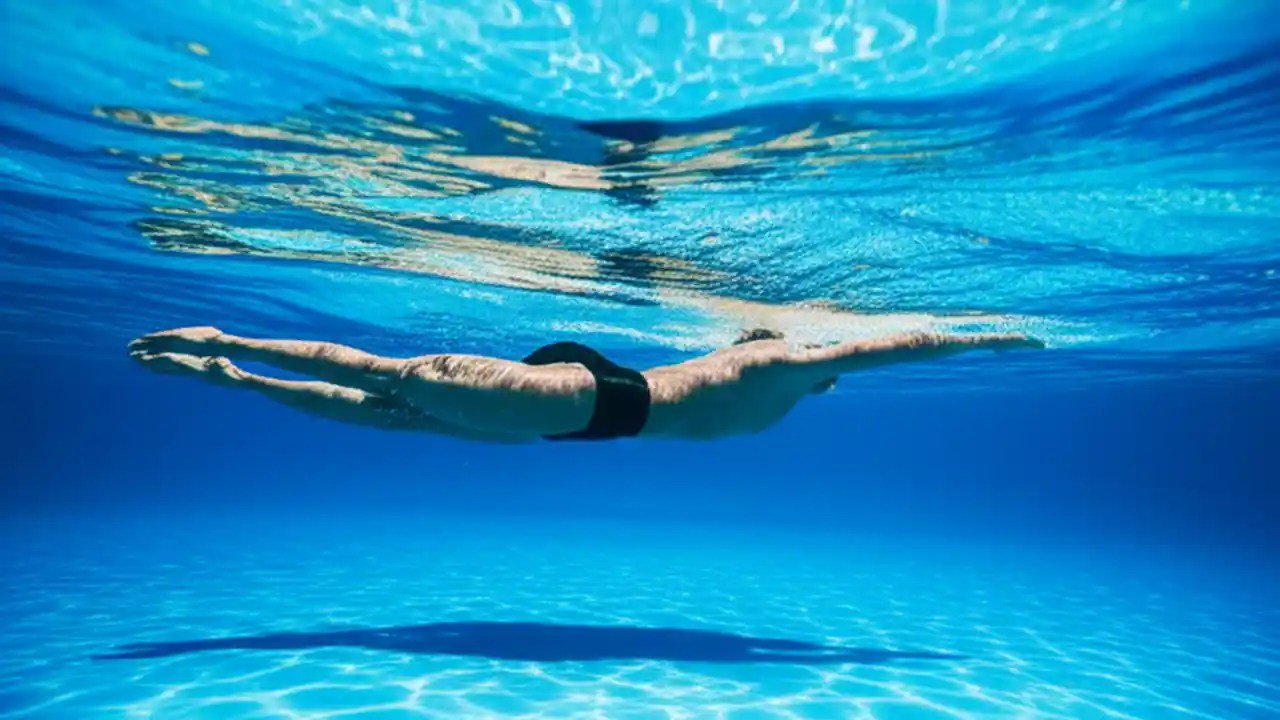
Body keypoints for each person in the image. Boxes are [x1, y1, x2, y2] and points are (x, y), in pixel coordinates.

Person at [128, 326, 1042, 443]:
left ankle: (230, 374)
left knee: (387, 409)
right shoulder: (774, 369)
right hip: (583, 404)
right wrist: (990, 338)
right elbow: (900, 347)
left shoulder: (780, 379)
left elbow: (883, 353)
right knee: (384, 378)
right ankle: (225, 341)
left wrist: (983, 340)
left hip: (576, 423)